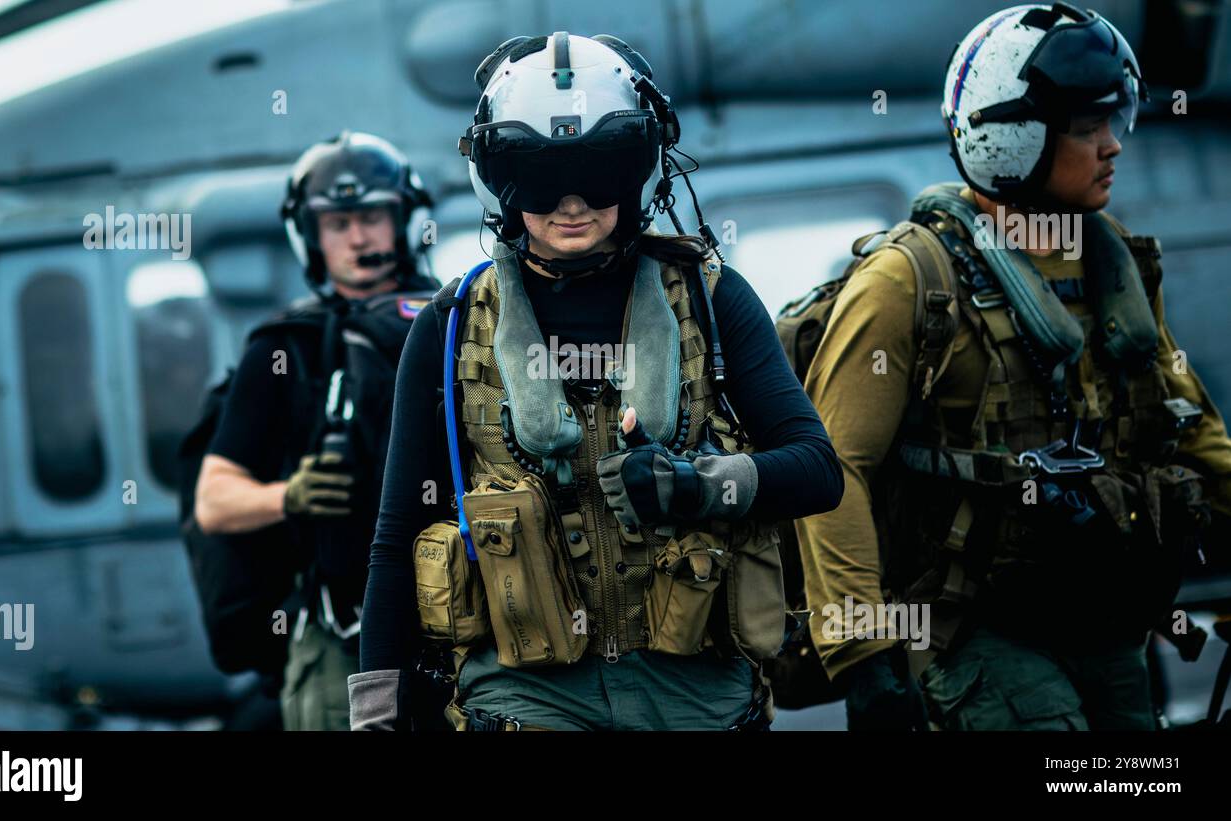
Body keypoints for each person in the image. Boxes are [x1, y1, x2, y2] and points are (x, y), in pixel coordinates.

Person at [348, 32, 842, 731]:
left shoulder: (712, 300)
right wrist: (376, 716)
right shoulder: (452, 326)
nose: (571, 203)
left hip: (695, 691)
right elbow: (396, 540)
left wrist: (698, 485)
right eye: (541, 179)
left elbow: (819, 471)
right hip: (528, 697)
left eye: (600, 170)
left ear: (641, 168)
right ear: (498, 179)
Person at [792, 3, 1231, 730]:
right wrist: (862, 655)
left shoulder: (1110, 264)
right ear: (1013, 139)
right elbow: (832, 469)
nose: (1113, 146)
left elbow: (1188, 427)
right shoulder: (907, 280)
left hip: (1099, 617)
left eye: (1112, 122)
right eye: (1089, 128)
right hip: (970, 627)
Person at [193, 131, 440, 730]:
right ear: (310, 236)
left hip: (474, 624)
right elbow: (213, 501)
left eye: (374, 217)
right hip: (340, 641)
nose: (358, 238)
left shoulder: (462, 321)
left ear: (403, 221)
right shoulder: (285, 349)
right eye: (337, 224)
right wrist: (289, 497)